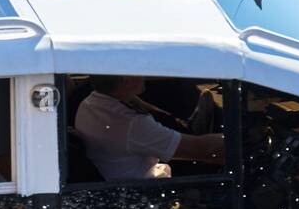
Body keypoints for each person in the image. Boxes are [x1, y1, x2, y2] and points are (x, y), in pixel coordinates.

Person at [75, 76, 225, 181]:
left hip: (121, 174)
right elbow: (206, 150)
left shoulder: (89, 103)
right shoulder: (132, 124)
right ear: (125, 79)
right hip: (145, 191)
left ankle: (189, 129)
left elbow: (142, 108)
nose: (144, 74)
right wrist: (240, 141)